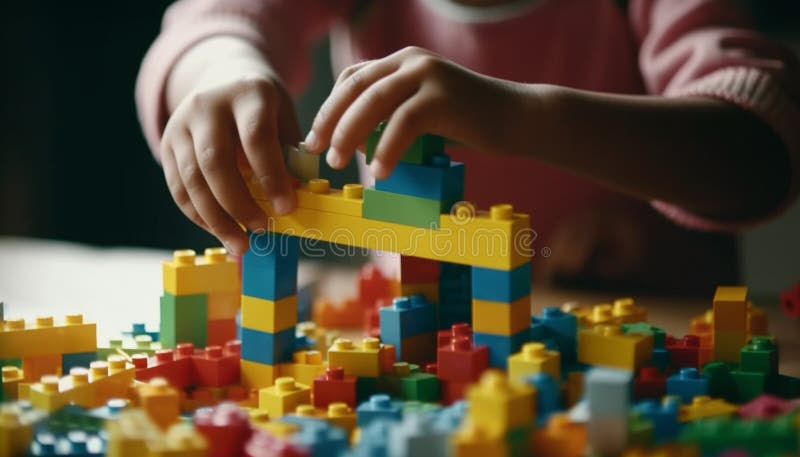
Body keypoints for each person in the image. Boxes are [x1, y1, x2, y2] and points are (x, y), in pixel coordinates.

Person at [136, 0, 800, 293]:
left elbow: (760, 144)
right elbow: (215, 20)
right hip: (422, 354)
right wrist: (220, 72)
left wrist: (521, 115)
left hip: (638, 348)